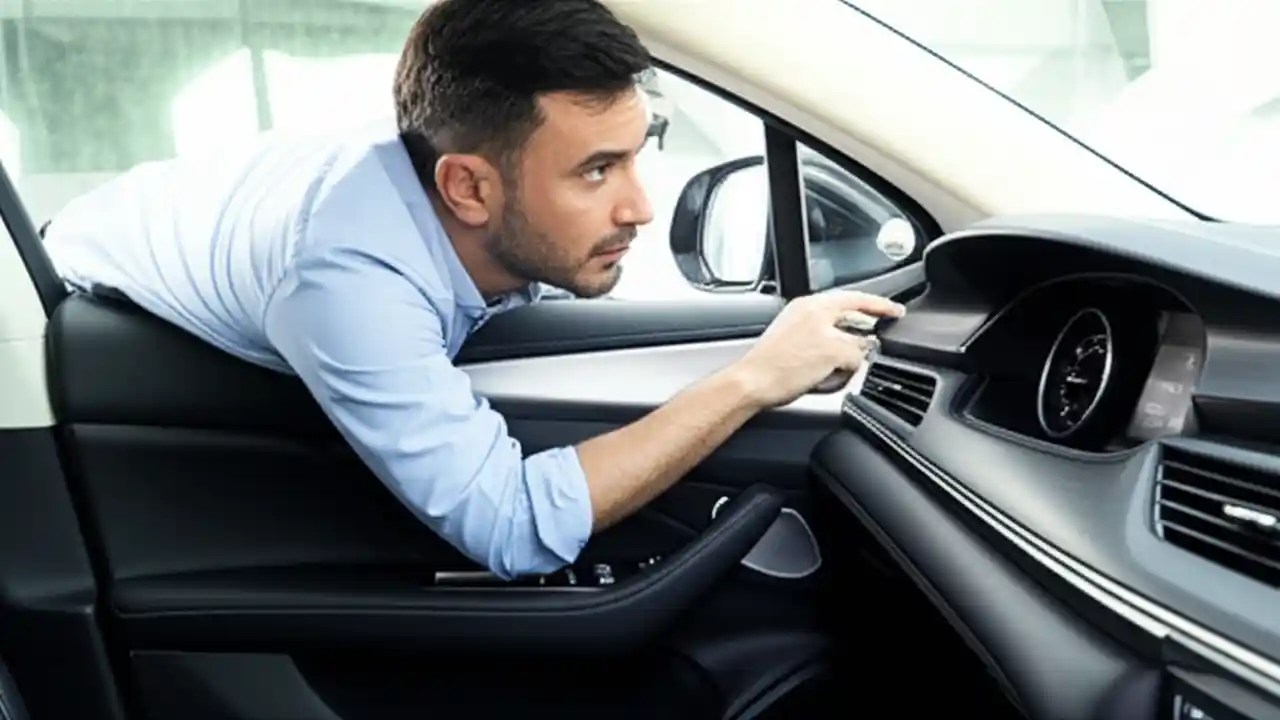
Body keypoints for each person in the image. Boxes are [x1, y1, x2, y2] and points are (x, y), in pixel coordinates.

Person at [40, 0, 903, 579]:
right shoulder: (346, 280)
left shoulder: (477, 204)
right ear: (466, 187)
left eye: (639, 155)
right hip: (86, 277)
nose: (641, 206)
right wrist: (751, 379)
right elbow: (513, 530)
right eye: (596, 170)